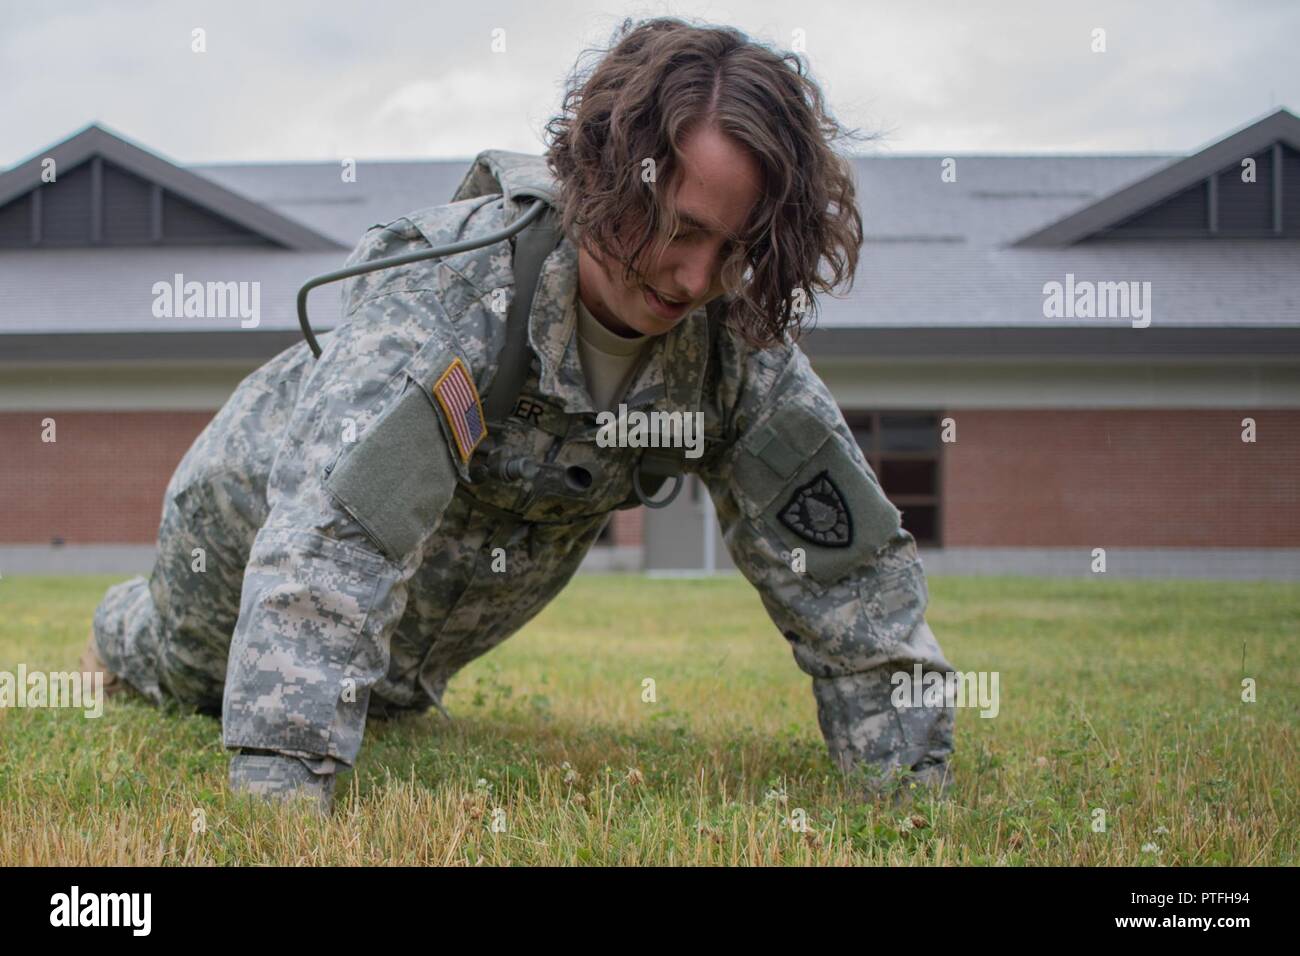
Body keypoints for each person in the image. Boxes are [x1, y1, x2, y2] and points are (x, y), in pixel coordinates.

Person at [85, 16, 956, 811]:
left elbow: (851, 577)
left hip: (414, 645)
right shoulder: (451, 301)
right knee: (181, 669)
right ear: (608, 176)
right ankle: (114, 641)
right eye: (681, 229)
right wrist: (281, 798)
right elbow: (331, 548)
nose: (695, 279)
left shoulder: (732, 349)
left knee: (384, 700)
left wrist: (911, 794)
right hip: (238, 539)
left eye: (734, 248)